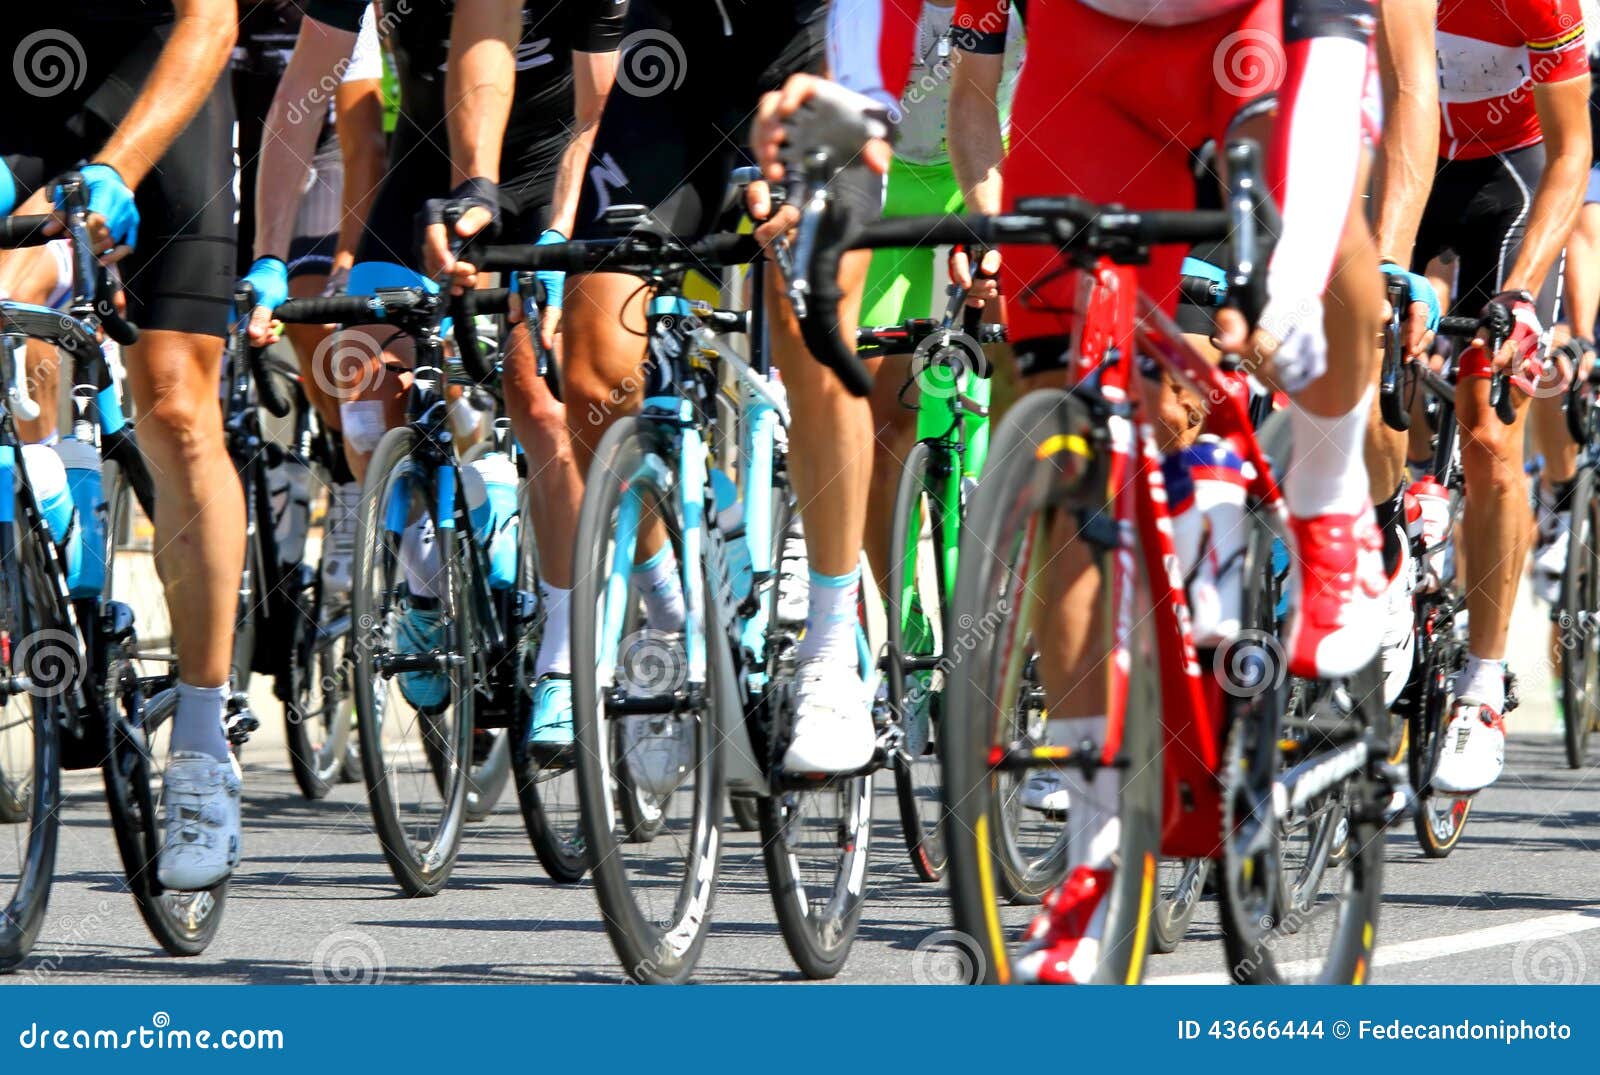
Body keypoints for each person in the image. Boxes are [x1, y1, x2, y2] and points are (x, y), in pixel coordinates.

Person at [760, 0, 1386, 983]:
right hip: (1090, 63)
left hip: (1263, 50)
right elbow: (912, 46)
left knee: (1317, 259)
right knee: (1060, 406)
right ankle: (1094, 843)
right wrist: (862, 107)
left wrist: (1290, 280)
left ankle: (1328, 488)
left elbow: (1332, 56)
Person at [506, 0, 888, 776]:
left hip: (813, 52)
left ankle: (828, 647)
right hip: (668, 63)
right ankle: (668, 606)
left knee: (810, 314)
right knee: (593, 368)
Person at [3, 1, 246, 890]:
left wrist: (116, 169)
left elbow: (210, 21)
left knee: (176, 404)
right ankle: (44, 521)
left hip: (158, 84)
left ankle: (201, 740)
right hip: (26, 86)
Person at [1385, 0, 1590, 793]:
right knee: (1365, 359)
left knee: (1491, 430)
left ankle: (1483, 681)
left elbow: (1573, 153)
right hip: (1400, 164)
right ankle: (1394, 529)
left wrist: (1524, 294)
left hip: (1507, 181)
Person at [237, 2, 386, 596]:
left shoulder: (341, 15)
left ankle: (347, 481)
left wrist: (345, 263)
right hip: (228, 156)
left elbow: (362, 150)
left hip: (318, 155)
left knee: (310, 309)